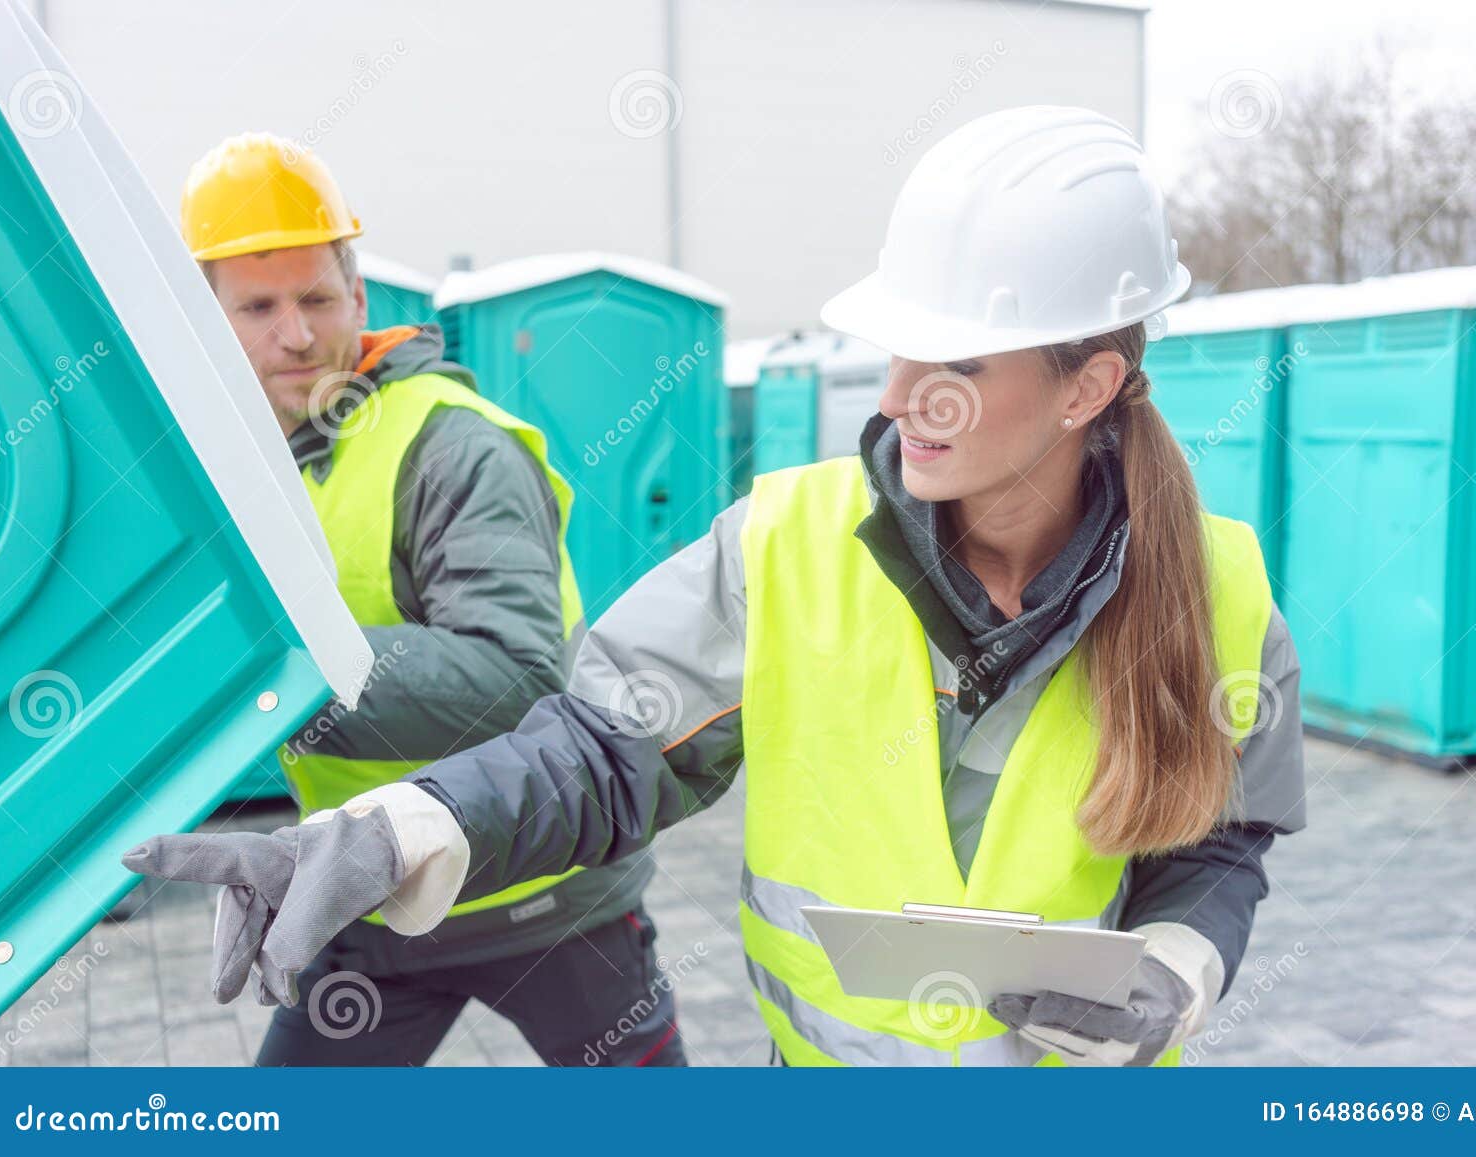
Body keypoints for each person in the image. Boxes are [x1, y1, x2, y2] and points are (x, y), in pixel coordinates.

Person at [129, 107, 1306, 1067]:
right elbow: (595, 752)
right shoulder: (785, 543)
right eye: (896, 351)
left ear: (1087, 385)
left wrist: (1181, 961)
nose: (896, 400)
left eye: (953, 363)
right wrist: (395, 828)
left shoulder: (1221, 592)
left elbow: (1219, 840)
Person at [158, 133, 683, 1067]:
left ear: (358, 298)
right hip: (364, 890)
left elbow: (513, 674)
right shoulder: (241, 470)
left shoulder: (456, 445)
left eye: (318, 298)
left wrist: (269, 666)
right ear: (209, 323)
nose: (296, 333)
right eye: (258, 307)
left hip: (541, 892)